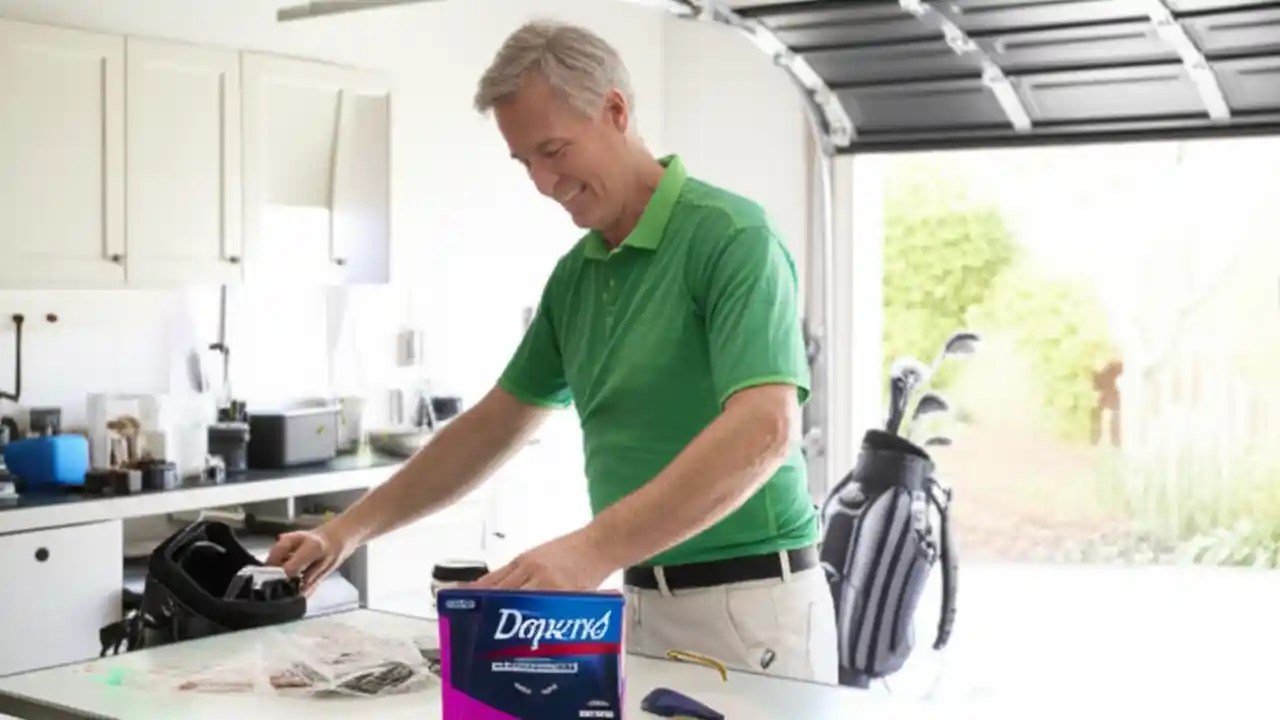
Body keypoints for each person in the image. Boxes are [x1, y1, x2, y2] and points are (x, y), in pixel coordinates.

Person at [266, 18, 838, 684]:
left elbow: (764, 429)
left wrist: (589, 551)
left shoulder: (732, 237)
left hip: (750, 608)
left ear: (616, 111)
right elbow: (493, 425)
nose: (541, 181)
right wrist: (347, 531)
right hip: (641, 600)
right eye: (523, 161)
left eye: (554, 150)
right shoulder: (579, 274)